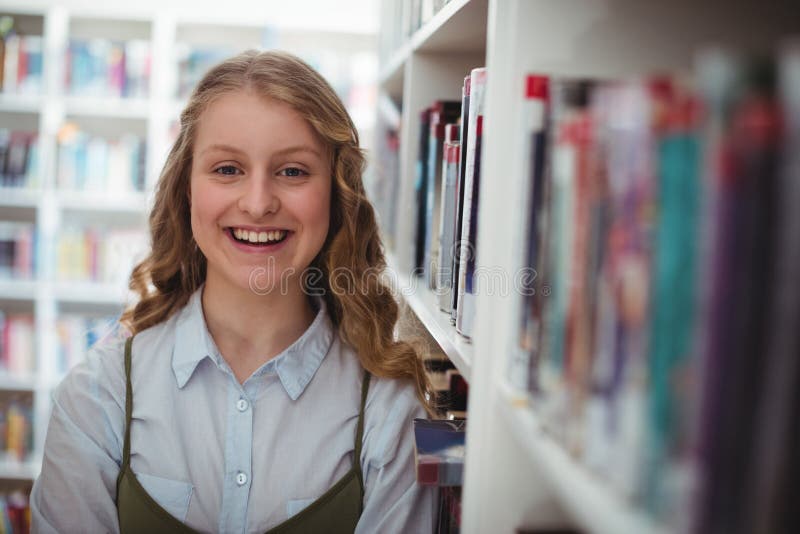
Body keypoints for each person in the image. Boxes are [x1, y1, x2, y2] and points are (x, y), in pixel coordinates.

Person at [31, 50, 436, 533]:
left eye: (292, 171)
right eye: (227, 169)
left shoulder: (390, 411)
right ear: (187, 188)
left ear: (337, 191)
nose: (259, 202)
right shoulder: (98, 397)